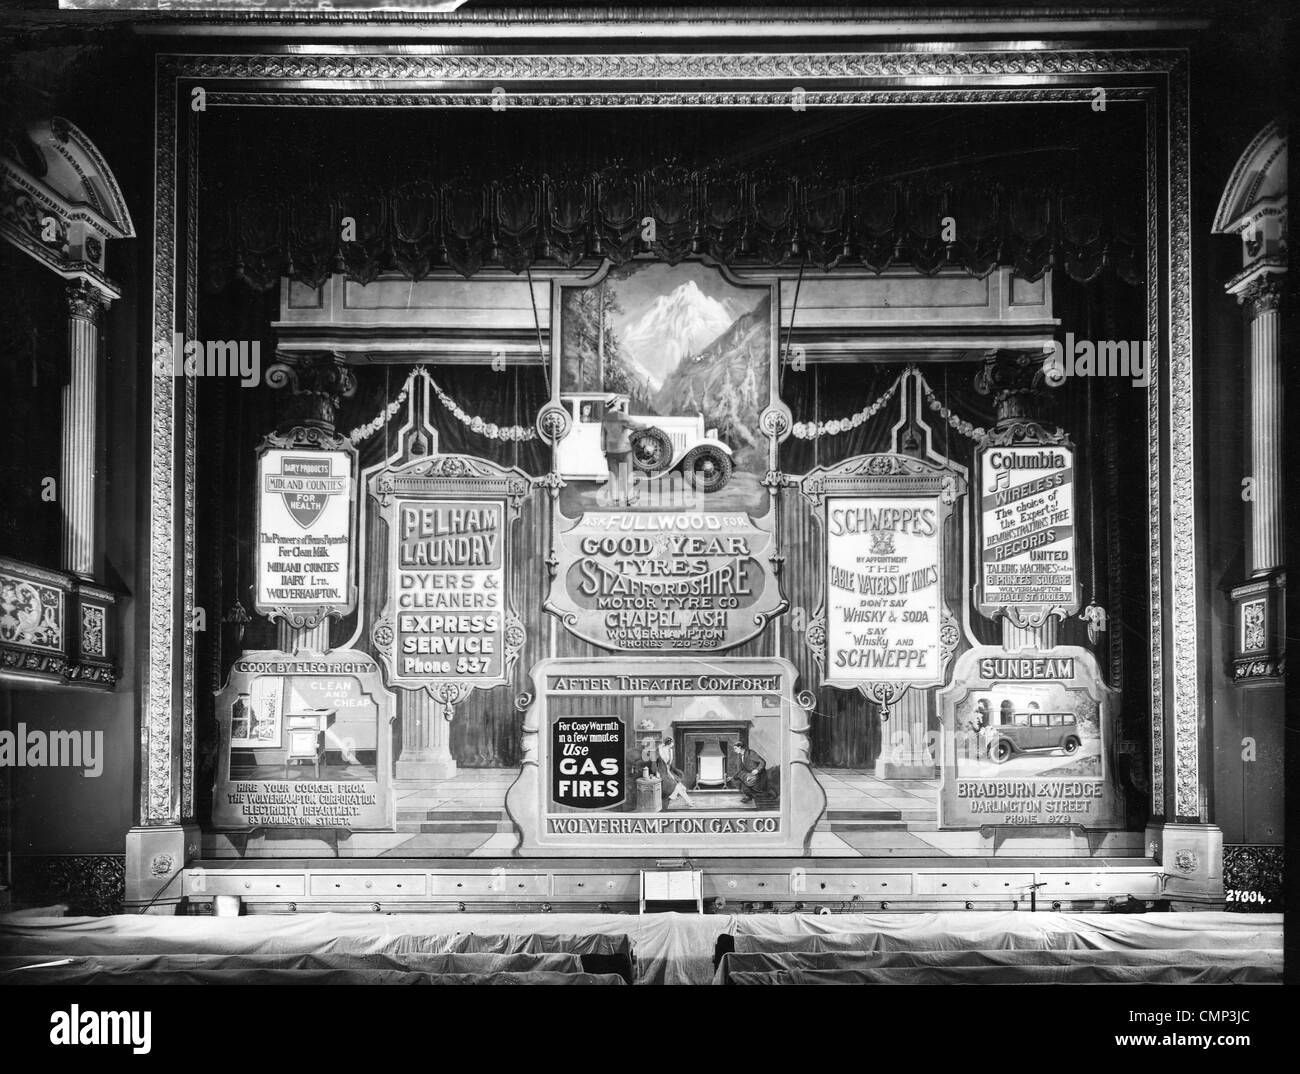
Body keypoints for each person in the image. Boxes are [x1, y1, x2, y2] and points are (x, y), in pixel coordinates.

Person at [600, 395, 647, 506]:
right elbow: (635, 426)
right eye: (619, 401)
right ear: (615, 402)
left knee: (613, 475)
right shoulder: (622, 416)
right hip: (624, 450)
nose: (620, 403)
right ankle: (629, 499)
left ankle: (614, 500)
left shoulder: (605, 418)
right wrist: (645, 425)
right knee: (627, 475)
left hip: (611, 451)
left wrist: (603, 450)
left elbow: (602, 436)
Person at [654, 739, 693, 809]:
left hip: (669, 771)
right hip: (663, 774)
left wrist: (672, 773)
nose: (673, 744)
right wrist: (658, 774)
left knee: (679, 786)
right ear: (669, 743)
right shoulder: (660, 752)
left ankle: (688, 801)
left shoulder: (670, 751)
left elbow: (669, 765)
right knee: (677, 786)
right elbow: (657, 765)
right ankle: (686, 801)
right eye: (672, 743)